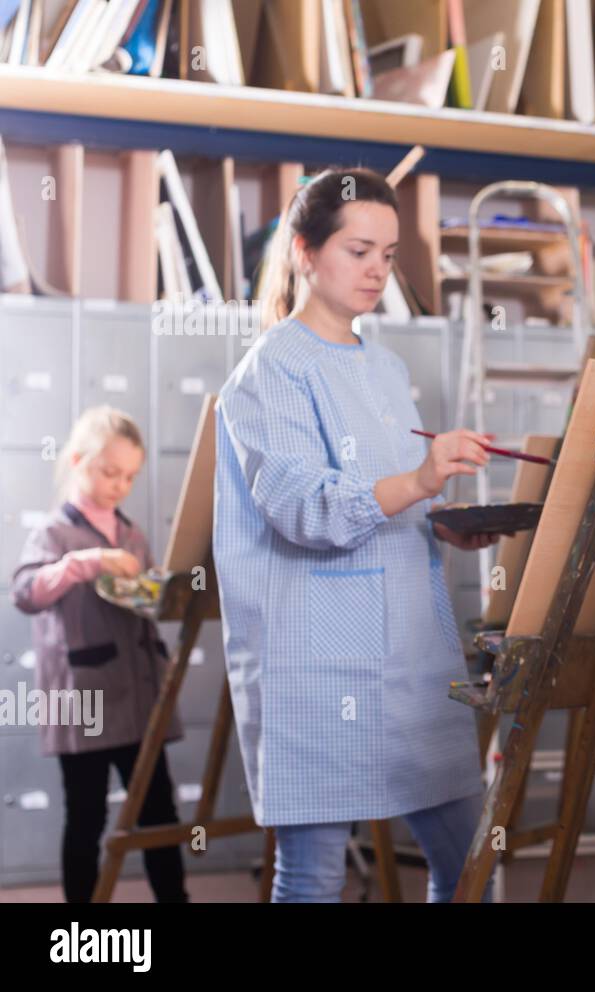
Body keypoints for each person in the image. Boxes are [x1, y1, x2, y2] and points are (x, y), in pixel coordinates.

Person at [214, 167, 499, 902]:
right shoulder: (268, 372)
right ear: (306, 252)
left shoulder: (385, 365)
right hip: (315, 662)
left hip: (407, 649)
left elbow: (379, 494)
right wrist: (421, 481)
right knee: (310, 878)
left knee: (467, 858)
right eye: (358, 250)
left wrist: (435, 519)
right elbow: (305, 508)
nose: (377, 270)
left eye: (389, 255)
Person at [11, 406, 188, 903]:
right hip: (84, 702)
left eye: (129, 476)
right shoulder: (54, 534)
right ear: (76, 461)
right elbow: (26, 592)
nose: (120, 485)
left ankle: (176, 899)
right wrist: (83, 563)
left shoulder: (132, 534)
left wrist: (164, 590)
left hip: (139, 698)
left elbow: (150, 600)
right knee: (86, 816)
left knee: (160, 814)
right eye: (109, 472)